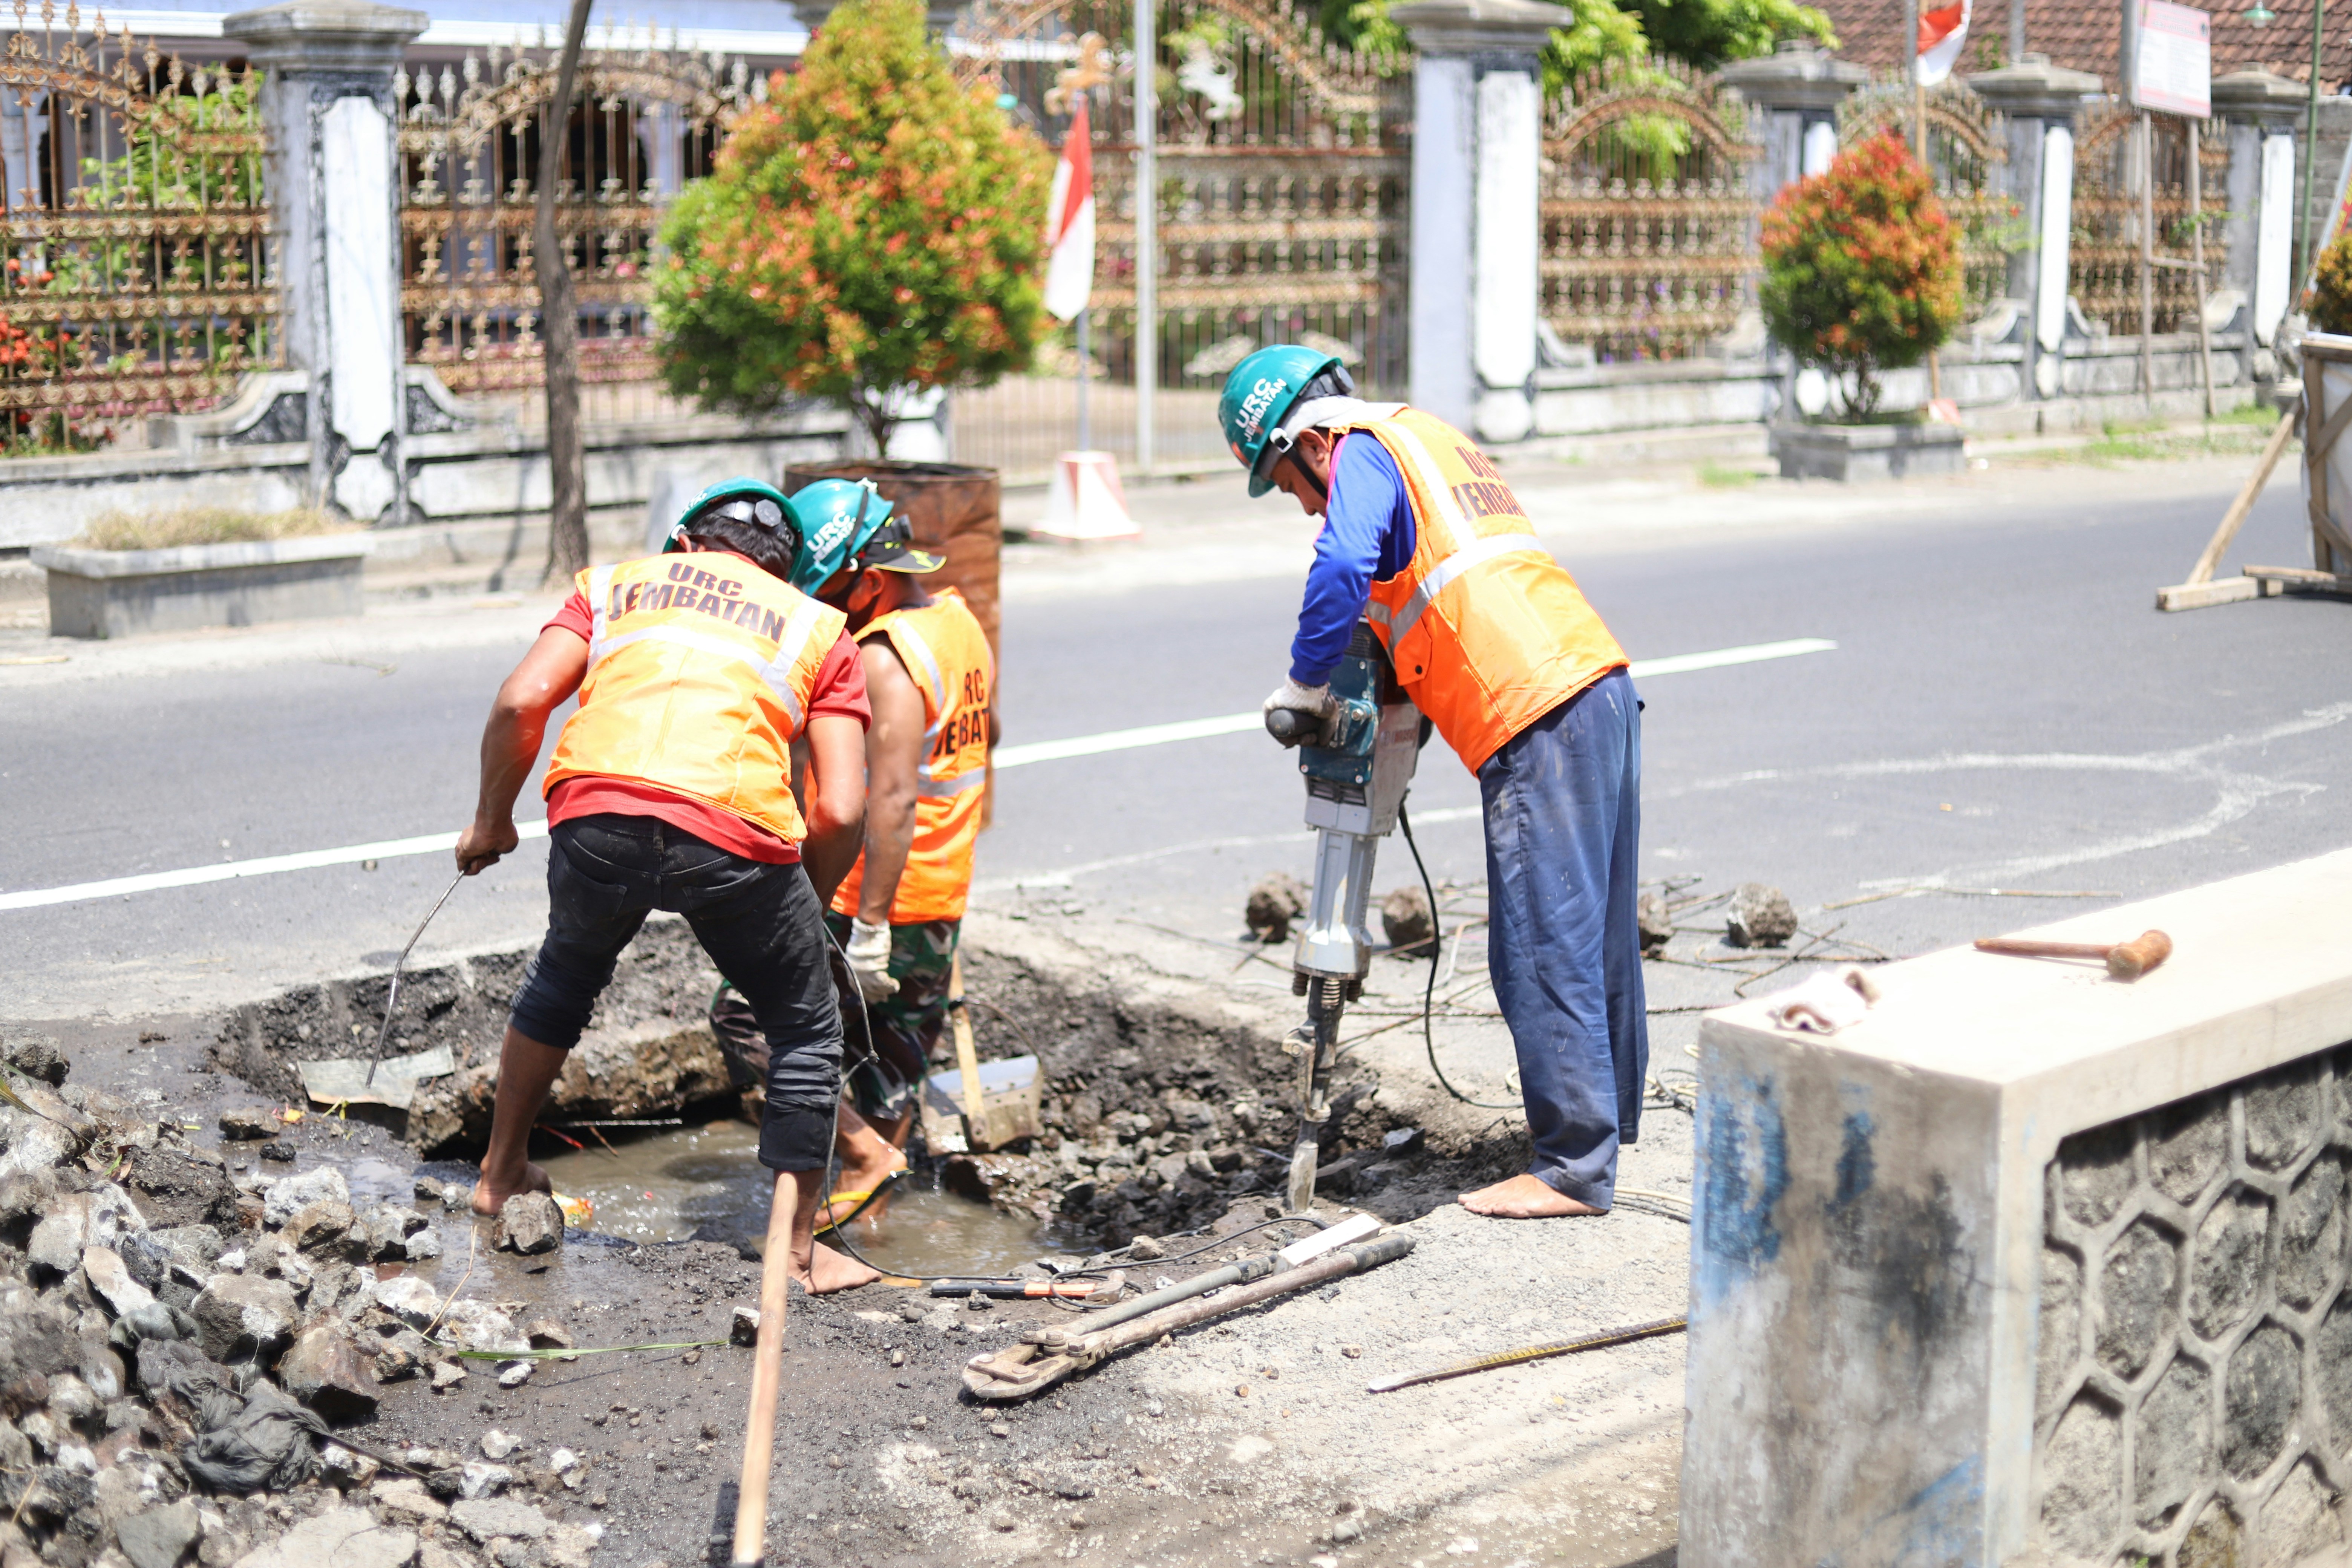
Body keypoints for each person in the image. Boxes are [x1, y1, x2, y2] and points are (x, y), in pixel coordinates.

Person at [1220, 347, 1646, 1219]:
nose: (1301, 502)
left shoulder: (1362, 453)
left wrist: (1307, 683)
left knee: (1538, 942)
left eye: (1287, 478)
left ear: (1307, 437)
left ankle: (1572, 1168)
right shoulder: (1428, 439)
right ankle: (1612, 1124)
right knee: (1595, 928)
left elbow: (1341, 568)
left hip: (1532, 710)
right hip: (1596, 680)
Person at [454, 477, 882, 1292]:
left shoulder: (614, 585)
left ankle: (501, 1173)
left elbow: (521, 701)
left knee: (566, 976)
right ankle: (792, 1254)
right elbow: (841, 807)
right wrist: (812, 916)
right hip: (733, 832)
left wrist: (490, 822)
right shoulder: (819, 627)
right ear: (782, 571)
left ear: (684, 544)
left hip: (595, 813)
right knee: (804, 1027)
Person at [710, 480, 999, 1232]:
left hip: (877, 897)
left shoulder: (886, 656)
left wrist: (869, 925)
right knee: (897, 1058)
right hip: (943, 887)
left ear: (868, 579)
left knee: (743, 1016)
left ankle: (861, 1157)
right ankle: (873, 1208)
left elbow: (892, 799)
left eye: (832, 592)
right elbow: (985, 732)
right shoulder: (959, 623)